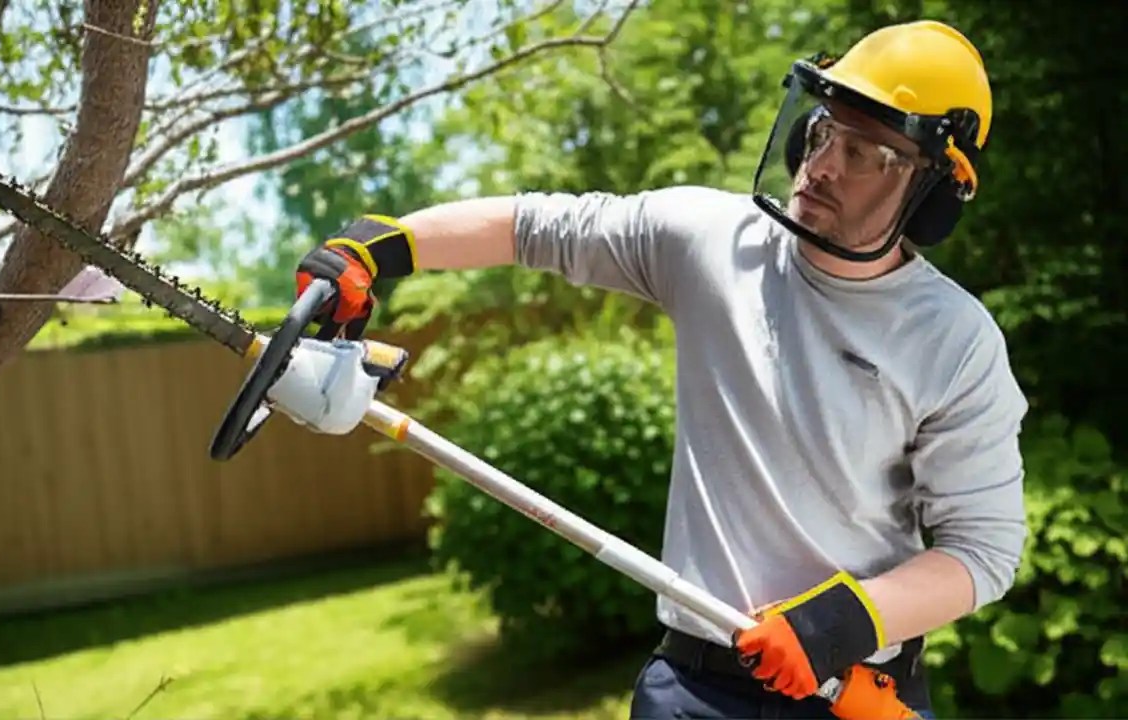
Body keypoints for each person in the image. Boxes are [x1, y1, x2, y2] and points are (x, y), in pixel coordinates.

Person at [293, 19, 1028, 720]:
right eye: (825, 129)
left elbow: (983, 551)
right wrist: (383, 246)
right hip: (695, 691)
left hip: (854, 689)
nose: (824, 163)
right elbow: (538, 227)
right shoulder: (709, 241)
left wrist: (844, 619)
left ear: (932, 196)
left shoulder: (955, 342)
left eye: (867, 152)